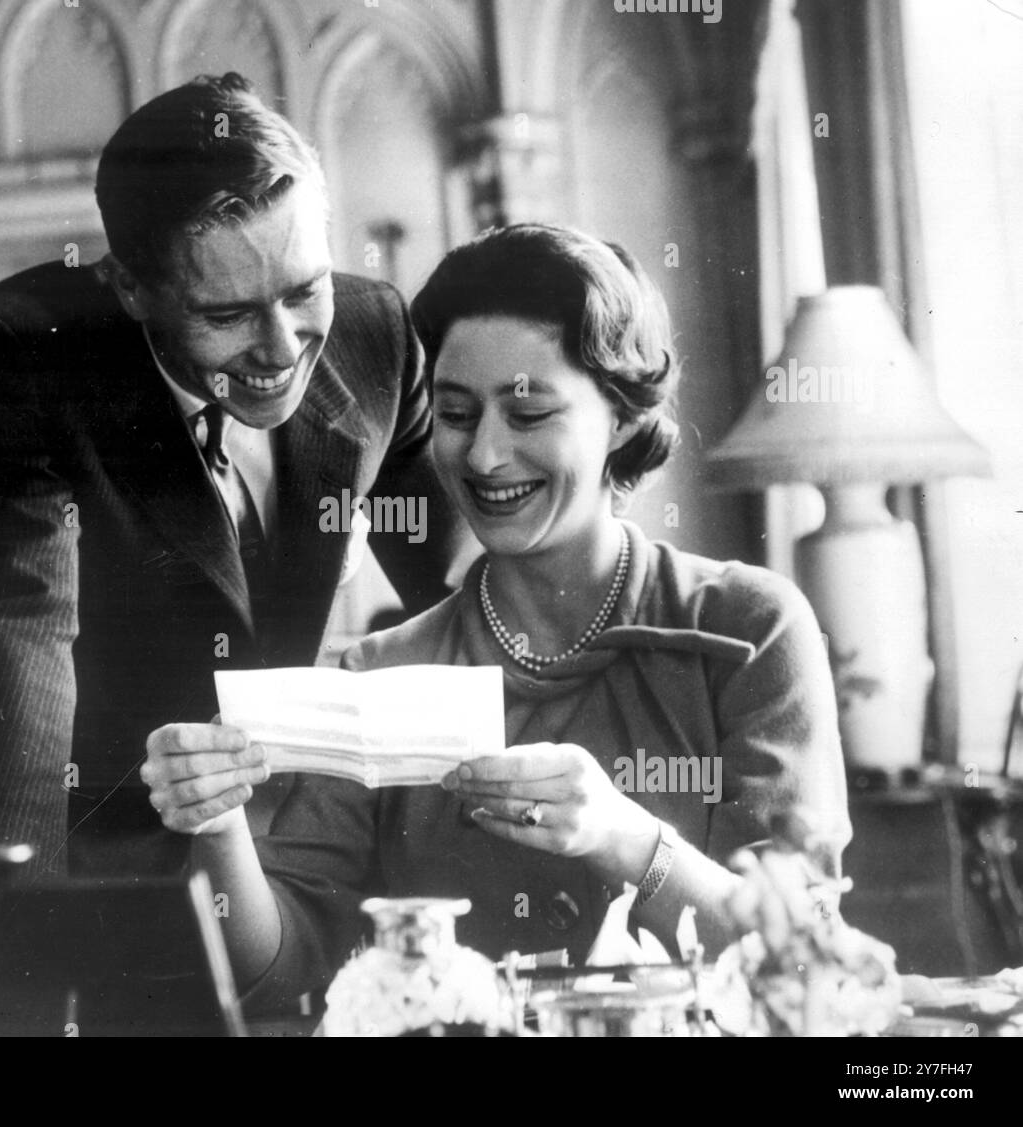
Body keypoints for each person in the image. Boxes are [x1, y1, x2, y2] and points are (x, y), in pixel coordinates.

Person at [142, 223, 851, 1007]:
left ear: (619, 416)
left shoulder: (749, 628)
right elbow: (278, 973)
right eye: (455, 413)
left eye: (527, 413)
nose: (482, 456)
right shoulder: (381, 671)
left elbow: (804, 957)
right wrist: (217, 826)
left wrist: (623, 836)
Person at [0, 73, 469, 878]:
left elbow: (471, 606)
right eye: (227, 315)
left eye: (304, 290)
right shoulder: (18, 362)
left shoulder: (375, 334)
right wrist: (10, 961)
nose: (282, 349)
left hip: (306, 852)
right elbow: (7, 704)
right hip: (110, 878)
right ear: (130, 286)